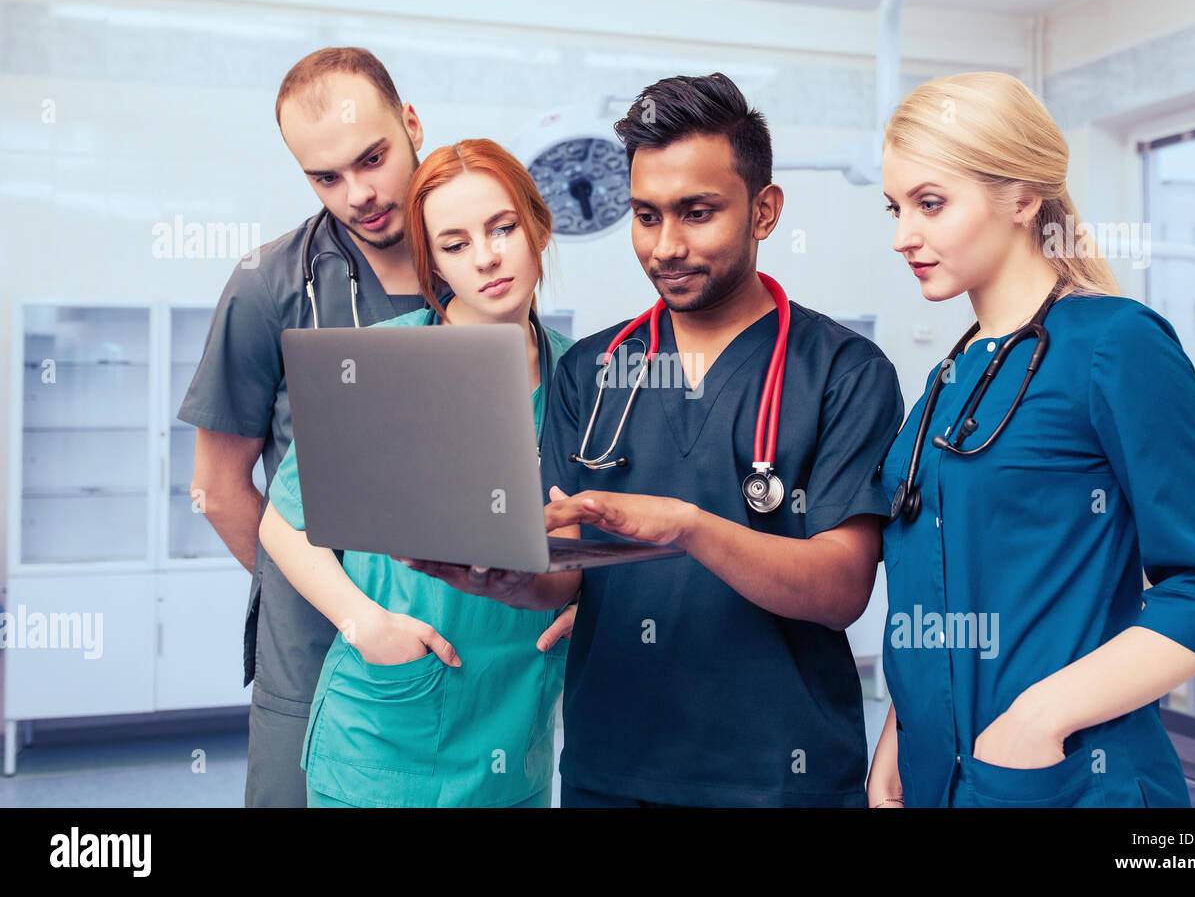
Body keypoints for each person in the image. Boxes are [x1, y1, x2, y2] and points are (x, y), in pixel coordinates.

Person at [401, 72, 905, 807]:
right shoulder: (592, 371)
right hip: (611, 773)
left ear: (764, 211)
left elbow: (842, 589)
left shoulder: (842, 373)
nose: (667, 246)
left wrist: (689, 528)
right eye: (646, 215)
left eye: (697, 213)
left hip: (780, 777)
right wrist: (504, 579)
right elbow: (566, 575)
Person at [865, 71, 1195, 808]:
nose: (902, 237)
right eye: (895, 207)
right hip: (935, 775)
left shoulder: (1116, 345)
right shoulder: (950, 381)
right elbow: (952, 582)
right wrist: (902, 726)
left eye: (929, 203)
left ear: (1022, 198)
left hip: (1071, 779)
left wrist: (1038, 720)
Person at [258, 138, 577, 808]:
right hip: (383, 737)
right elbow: (282, 524)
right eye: (455, 245)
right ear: (435, 263)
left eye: (502, 228)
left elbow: (608, 530)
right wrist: (361, 622)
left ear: (538, 226)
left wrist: (588, 603)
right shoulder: (379, 367)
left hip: (513, 733)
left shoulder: (585, 377)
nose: (486, 257)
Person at [180, 48, 433, 807]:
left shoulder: (475, 266)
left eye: (373, 158)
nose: (359, 194)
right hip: (317, 646)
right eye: (326, 177)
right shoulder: (268, 287)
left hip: (455, 628)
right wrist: (324, 598)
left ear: (412, 124)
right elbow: (219, 491)